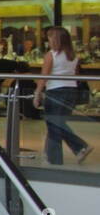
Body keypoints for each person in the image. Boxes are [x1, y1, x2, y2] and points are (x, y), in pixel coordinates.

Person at [33, 26, 92, 165]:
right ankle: (54, 155)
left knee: (54, 124)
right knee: (57, 124)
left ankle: (71, 151)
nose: (48, 41)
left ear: (56, 40)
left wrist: (37, 93)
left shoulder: (51, 55)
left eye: (49, 38)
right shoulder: (74, 57)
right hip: (71, 92)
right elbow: (75, 76)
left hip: (55, 92)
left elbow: (44, 76)